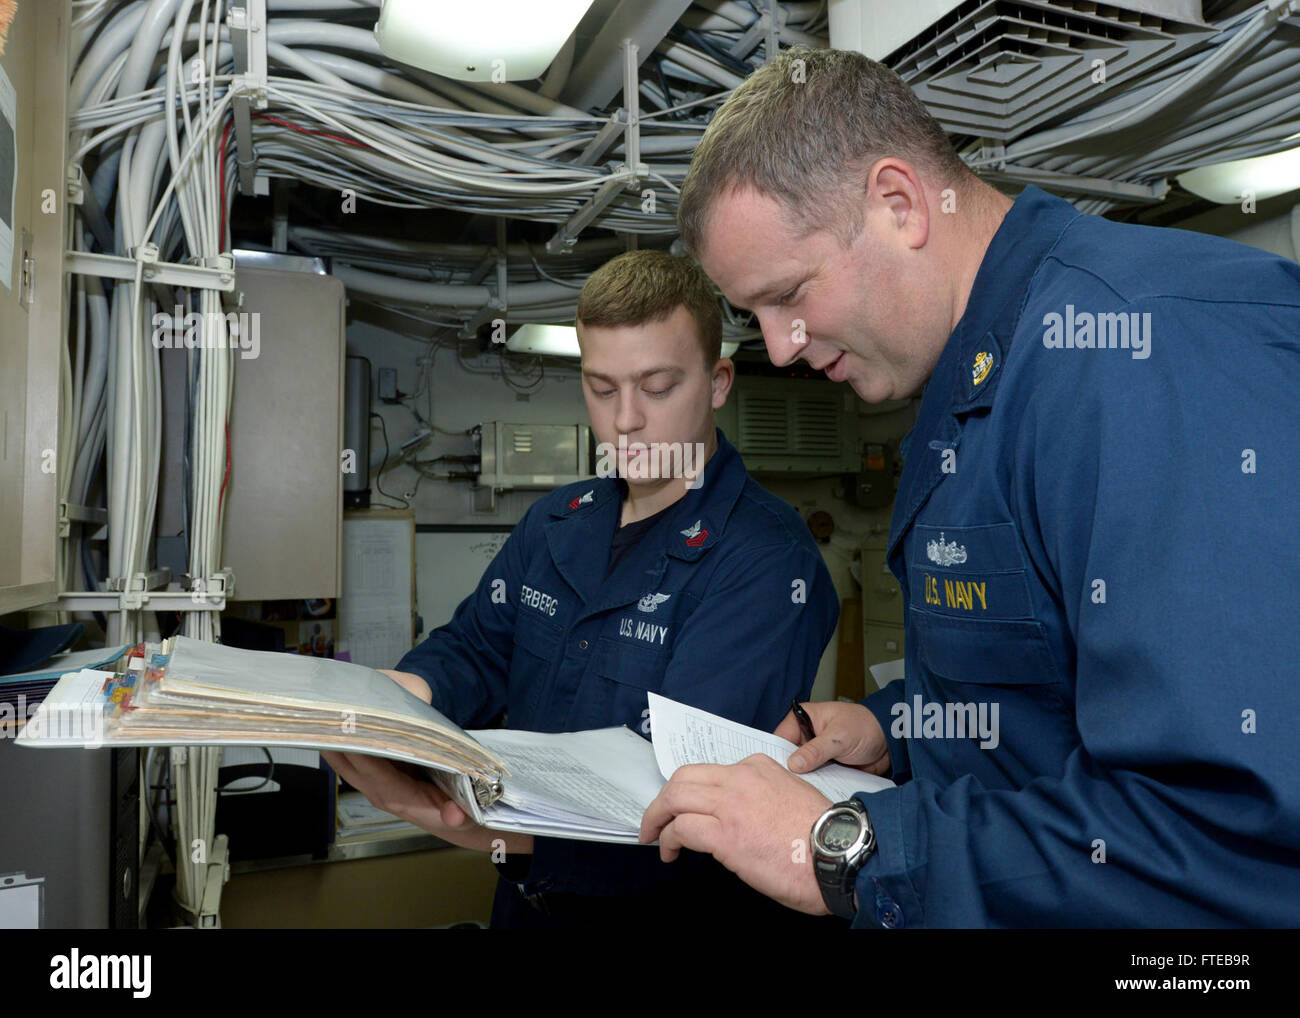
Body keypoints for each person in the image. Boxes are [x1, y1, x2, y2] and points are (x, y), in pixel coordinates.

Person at [639, 46, 1300, 927]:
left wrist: (853, 848)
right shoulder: (974, 384)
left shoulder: (1144, 355)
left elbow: (1227, 835)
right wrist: (903, 728)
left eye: (789, 294)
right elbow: (1060, 690)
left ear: (900, 205)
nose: (783, 346)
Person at [324, 249, 841, 928]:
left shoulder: (767, 560)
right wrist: (398, 702)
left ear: (718, 382)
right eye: (601, 387)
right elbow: (476, 650)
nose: (625, 420)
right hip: (526, 907)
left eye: (656, 386)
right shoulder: (556, 523)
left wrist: (473, 825)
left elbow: (672, 792)